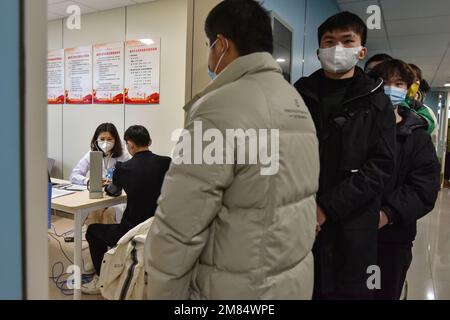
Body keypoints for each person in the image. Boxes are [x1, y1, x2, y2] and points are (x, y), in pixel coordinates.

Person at [145, 0, 319, 300]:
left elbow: (181, 223)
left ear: (221, 44)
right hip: (291, 282)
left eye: (207, 44)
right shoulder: (296, 102)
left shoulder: (218, 108)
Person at [294, 11, 396, 299]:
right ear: (319, 51)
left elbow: (381, 167)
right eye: (330, 41)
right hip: (301, 220)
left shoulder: (377, 102)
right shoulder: (298, 95)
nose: (337, 48)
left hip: (353, 224)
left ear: (361, 51)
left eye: (347, 40)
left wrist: (327, 207)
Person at [370, 59, 440, 300]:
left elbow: (424, 188)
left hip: (393, 239)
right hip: (350, 233)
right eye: (384, 83)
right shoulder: (357, 128)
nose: (391, 89)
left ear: (410, 88)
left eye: (398, 83)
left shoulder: (417, 137)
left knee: (382, 292)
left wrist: (387, 214)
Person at [82, 125, 171, 294]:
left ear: (129, 144)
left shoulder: (123, 168)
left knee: (93, 231)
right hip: (158, 227)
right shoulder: (167, 162)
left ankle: (102, 279)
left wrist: (109, 185)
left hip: (131, 231)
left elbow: (113, 192)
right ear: (150, 141)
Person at [70, 123, 131, 226]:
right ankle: (94, 241)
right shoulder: (92, 154)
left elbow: (131, 178)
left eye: (109, 139)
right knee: (94, 213)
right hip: (98, 196)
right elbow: (74, 175)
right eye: (102, 139)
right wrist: (90, 181)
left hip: (117, 198)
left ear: (115, 140)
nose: (105, 143)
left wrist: (116, 182)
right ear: (96, 140)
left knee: (109, 214)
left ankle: (111, 242)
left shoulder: (123, 155)